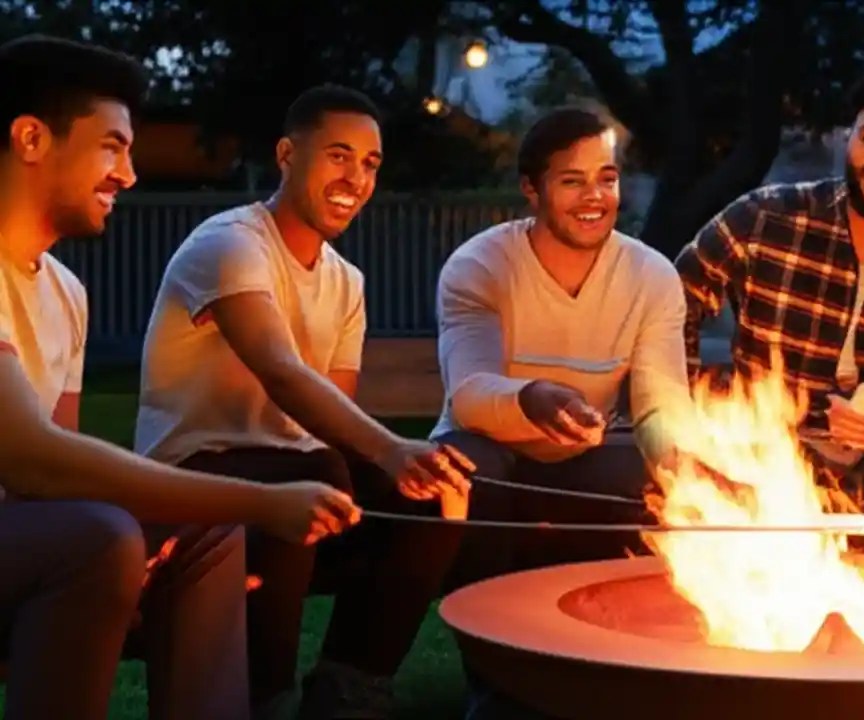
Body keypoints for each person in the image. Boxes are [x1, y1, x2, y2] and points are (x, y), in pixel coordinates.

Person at [0, 35, 361, 720]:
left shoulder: (66, 293)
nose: (129, 175)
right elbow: (30, 459)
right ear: (30, 138)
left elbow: (65, 478)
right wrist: (260, 503)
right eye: (112, 146)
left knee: (204, 533)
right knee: (99, 540)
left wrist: (178, 536)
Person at [133, 84, 471, 719]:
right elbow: (282, 373)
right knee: (312, 480)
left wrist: (410, 468)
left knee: (431, 498)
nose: (356, 177)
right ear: (288, 154)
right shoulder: (230, 244)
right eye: (339, 155)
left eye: (370, 163)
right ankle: (268, 697)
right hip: (192, 472)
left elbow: (328, 418)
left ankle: (348, 688)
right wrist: (388, 448)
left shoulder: (347, 283)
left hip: (299, 471)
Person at [431, 107, 689, 717]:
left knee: (653, 481)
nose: (594, 196)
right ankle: (494, 685)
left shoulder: (650, 275)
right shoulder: (479, 267)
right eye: (572, 180)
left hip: (584, 456)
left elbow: (659, 407)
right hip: (489, 447)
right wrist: (532, 397)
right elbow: (469, 394)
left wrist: (683, 463)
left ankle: (615, 670)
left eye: (607, 177)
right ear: (532, 188)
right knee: (469, 475)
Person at [675, 68, 864, 552]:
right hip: (771, 432)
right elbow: (674, 300)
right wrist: (698, 400)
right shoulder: (768, 218)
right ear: (848, 141)